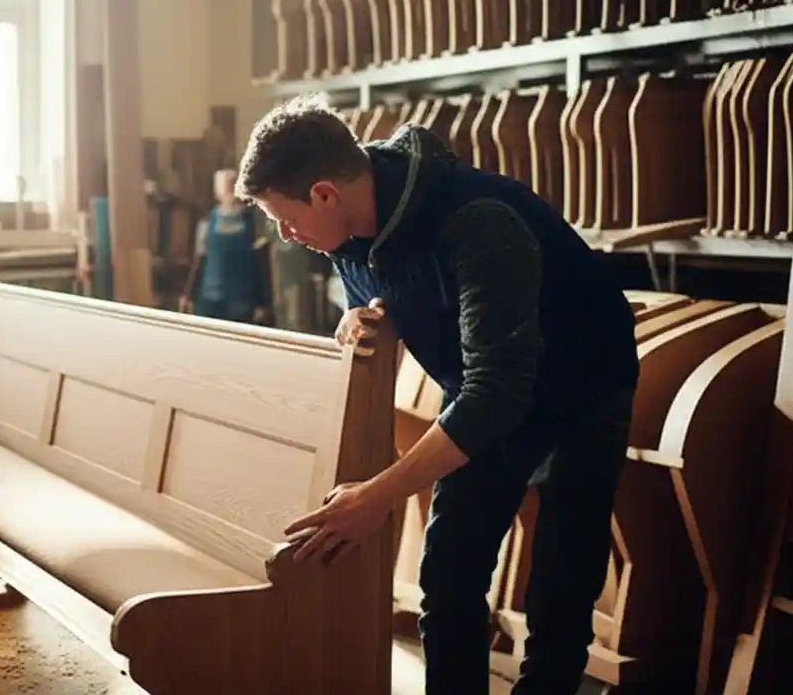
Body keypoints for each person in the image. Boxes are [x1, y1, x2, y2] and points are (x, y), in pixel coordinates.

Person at [233, 95, 640, 695]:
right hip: (487, 385)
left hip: (582, 384)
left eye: (282, 218)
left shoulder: (474, 220)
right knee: (449, 571)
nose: (285, 236)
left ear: (323, 193)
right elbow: (389, 296)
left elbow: (497, 392)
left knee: (560, 579)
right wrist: (370, 319)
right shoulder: (345, 231)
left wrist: (380, 496)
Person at [180, 169, 271, 324]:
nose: (229, 192)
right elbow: (200, 258)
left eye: (231, 186)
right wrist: (188, 294)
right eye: (225, 187)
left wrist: (263, 302)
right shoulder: (207, 222)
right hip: (209, 299)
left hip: (242, 300)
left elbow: (261, 263)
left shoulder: (253, 223)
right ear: (217, 192)